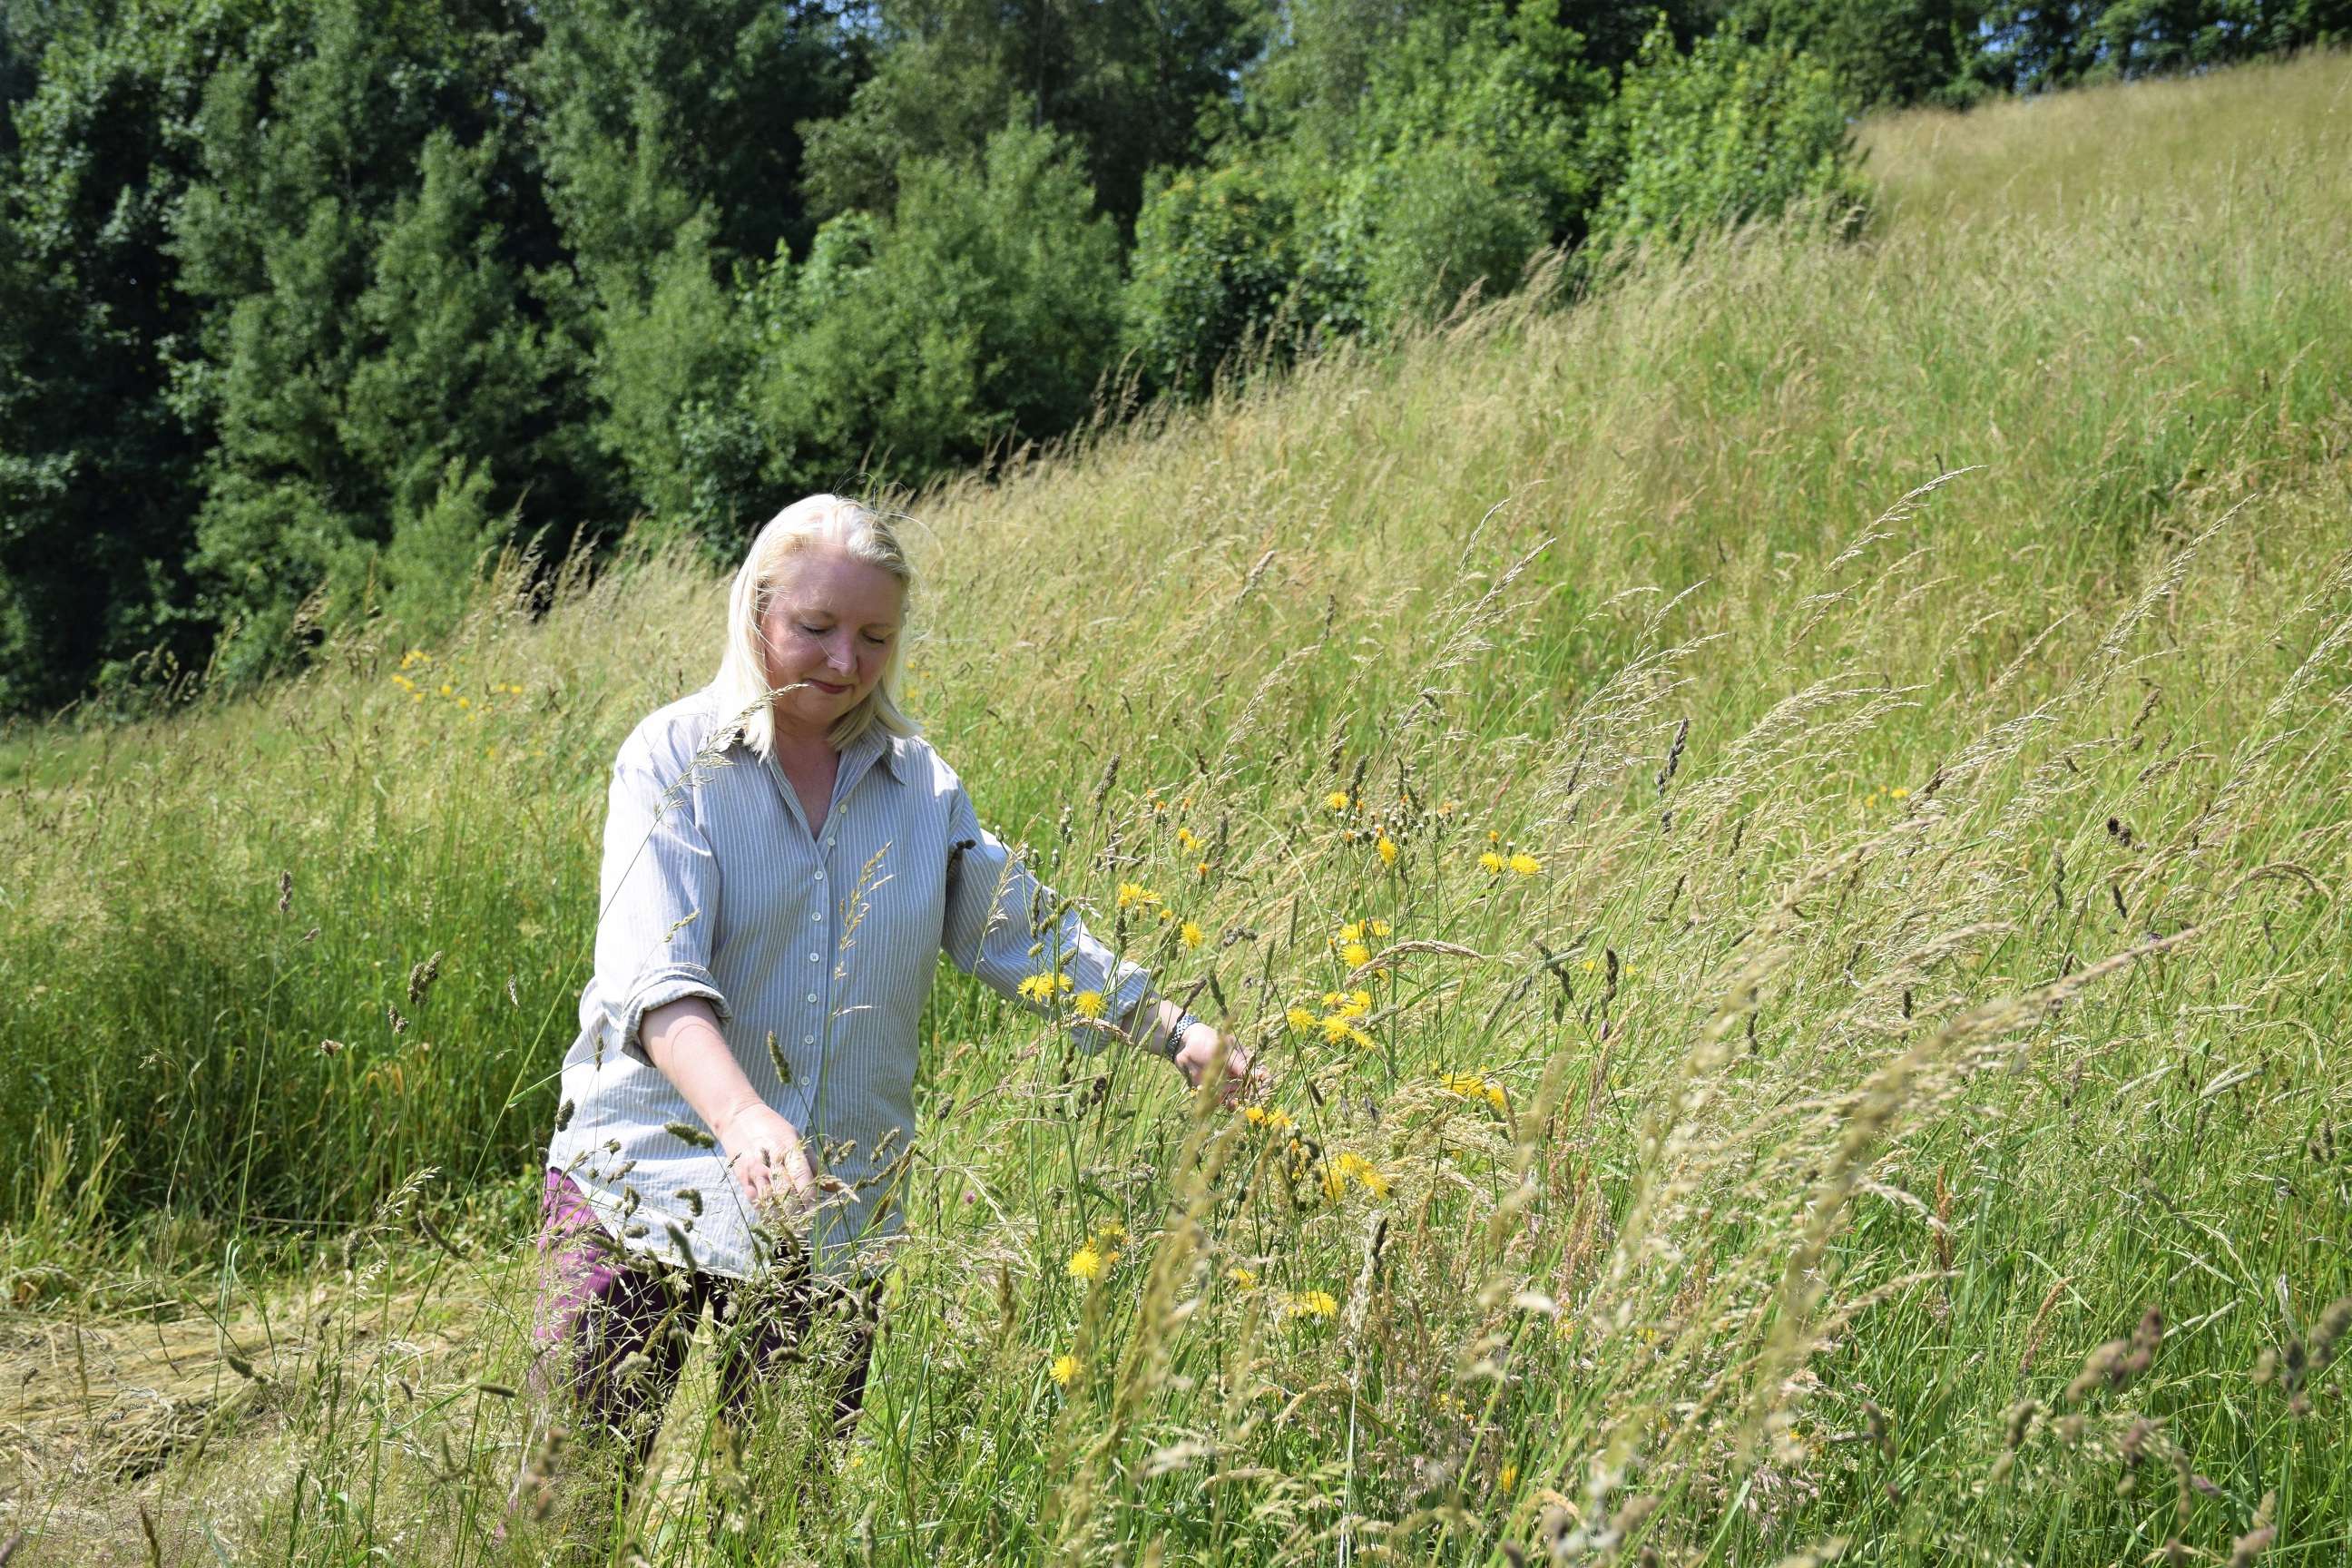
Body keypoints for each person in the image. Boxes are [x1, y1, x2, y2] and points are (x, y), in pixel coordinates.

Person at [527, 493, 1260, 1485]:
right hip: (643, 1186)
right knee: (570, 1504)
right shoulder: (672, 758)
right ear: (756, 614)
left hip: (833, 1212)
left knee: (781, 1510)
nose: (845, 661)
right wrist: (742, 1118)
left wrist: (1174, 1032)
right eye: (816, 628)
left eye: (875, 636)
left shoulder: (921, 788)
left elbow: (1022, 932)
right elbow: (654, 981)